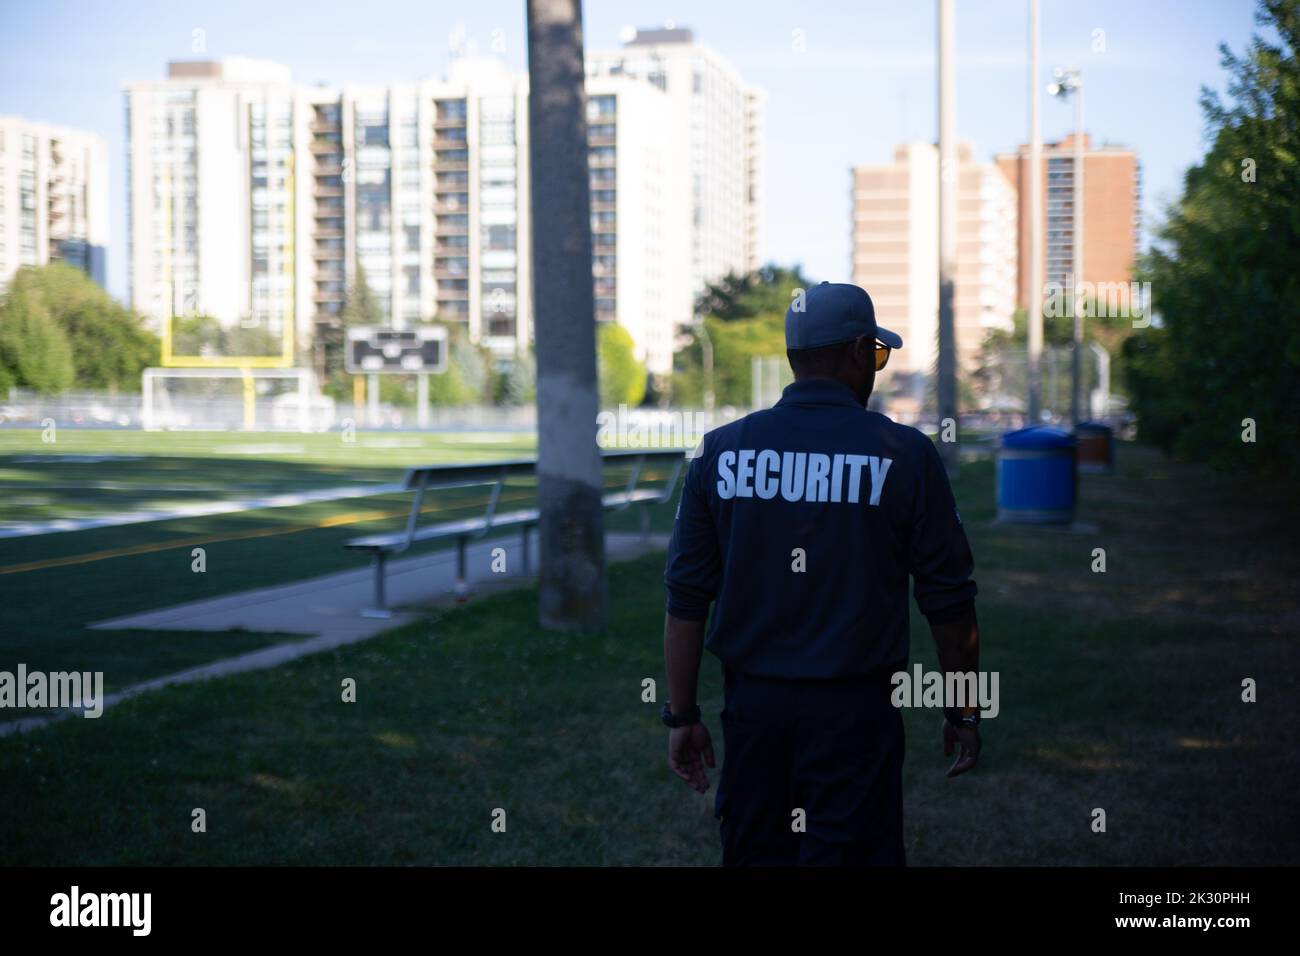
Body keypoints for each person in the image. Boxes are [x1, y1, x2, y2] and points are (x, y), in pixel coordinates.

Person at [661, 281, 982, 867]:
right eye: (879, 355)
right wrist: (962, 708)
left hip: (753, 713)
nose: (878, 368)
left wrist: (681, 716)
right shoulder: (904, 454)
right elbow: (949, 600)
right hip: (858, 716)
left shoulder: (718, 451)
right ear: (860, 351)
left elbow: (686, 599)